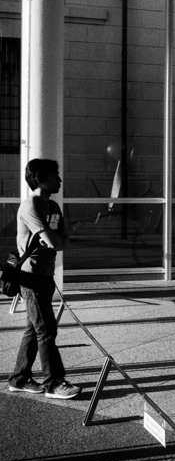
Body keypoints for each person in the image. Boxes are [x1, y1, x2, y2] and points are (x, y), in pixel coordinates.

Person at [8, 158, 81, 399]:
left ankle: (19, 379)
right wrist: (55, 240)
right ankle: (54, 383)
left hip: (45, 275)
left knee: (34, 328)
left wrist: (55, 240)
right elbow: (54, 242)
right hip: (30, 277)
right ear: (40, 178)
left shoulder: (54, 208)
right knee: (46, 329)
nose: (59, 180)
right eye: (54, 176)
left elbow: (62, 241)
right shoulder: (30, 207)